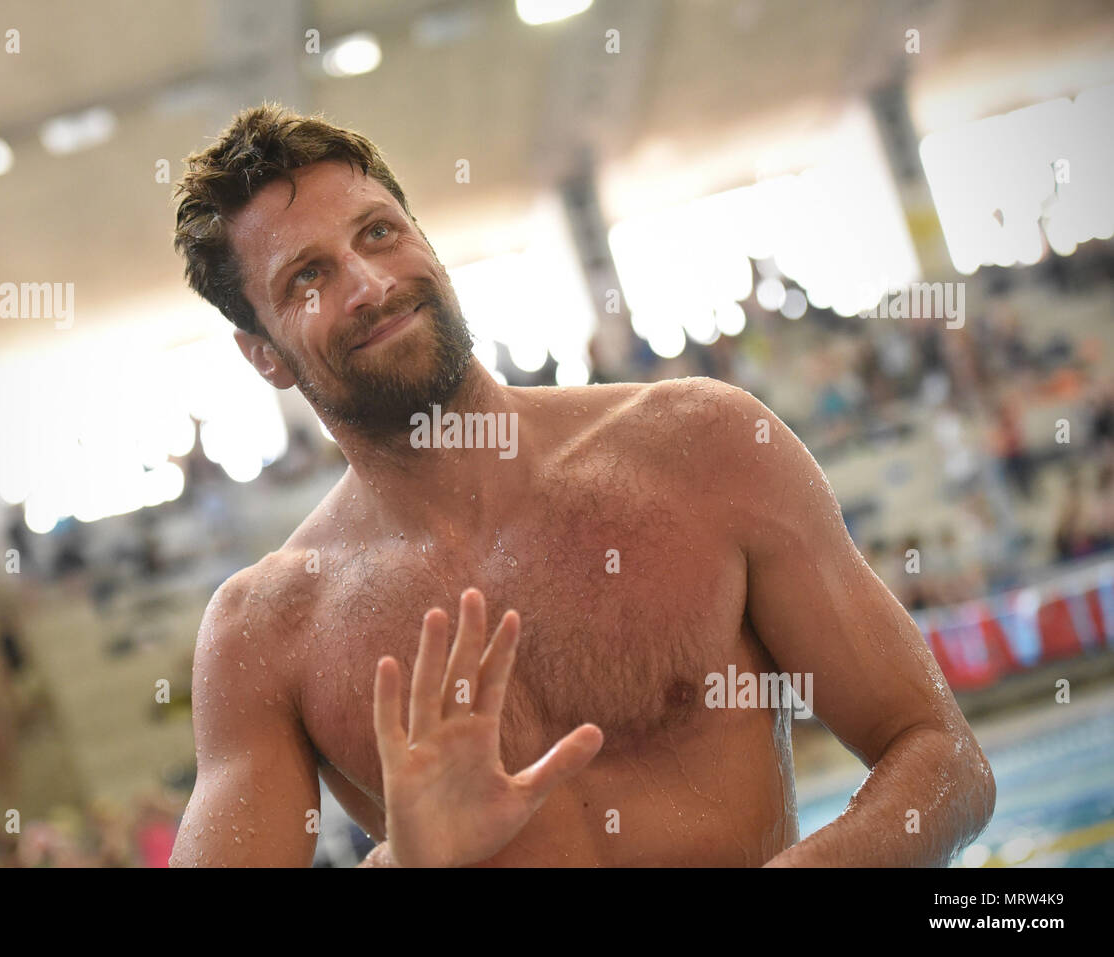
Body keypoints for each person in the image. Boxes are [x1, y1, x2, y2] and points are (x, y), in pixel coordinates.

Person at [167, 104, 995, 867]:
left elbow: (941, 754)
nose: (369, 284)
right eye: (307, 276)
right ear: (263, 352)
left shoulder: (701, 447)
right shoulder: (269, 631)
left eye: (379, 232)